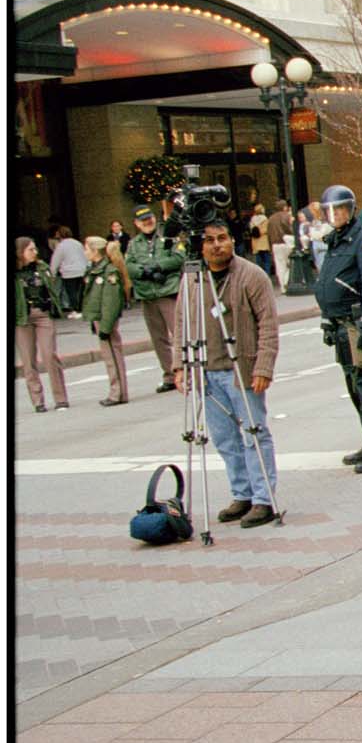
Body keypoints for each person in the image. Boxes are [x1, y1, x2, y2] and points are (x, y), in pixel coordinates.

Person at [178, 218, 283, 528]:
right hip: (208, 372)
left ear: (232, 241)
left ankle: (264, 499)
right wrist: (179, 367)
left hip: (243, 370)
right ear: (201, 246)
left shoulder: (252, 275)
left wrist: (264, 366)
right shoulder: (192, 280)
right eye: (209, 240)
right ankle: (243, 494)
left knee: (254, 435)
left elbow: (268, 325)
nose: (217, 244)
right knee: (225, 440)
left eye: (222, 238)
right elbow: (181, 325)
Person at [313, 184, 362, 473]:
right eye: (330, 211)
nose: (334, 215)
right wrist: (326, 318)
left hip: (357, 325)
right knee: (354, 387)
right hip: (340, 325)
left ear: (350, 209)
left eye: (339, 209)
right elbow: (327, 281)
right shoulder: (336, 241)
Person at [125, 205, 185, 393]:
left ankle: (186, 371)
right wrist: (146, 272)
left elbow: (179, 257)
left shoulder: (167, 236)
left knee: (179, 334)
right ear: (136, 223)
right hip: (147, 294)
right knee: (158, 338)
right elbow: (129, 266)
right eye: (143, 221)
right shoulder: (134, 244)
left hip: (167, 291)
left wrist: (159, 267)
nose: (147, 223)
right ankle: (169, 375)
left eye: (149, 219)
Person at [14, 237, 69, 411]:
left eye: (35, 248)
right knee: (28, 360)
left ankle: (60, 398)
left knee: (49, 355)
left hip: (43, 315)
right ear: (20, 252)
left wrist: (52, 304)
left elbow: (53, 289)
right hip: (22, 317)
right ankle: (37, 400)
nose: (35, 252)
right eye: (31, 249)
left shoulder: (41, 268)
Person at [80, 236, 132, 406]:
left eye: (86, 249)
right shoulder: (95, 270)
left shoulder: (108, 271)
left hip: (105, 321)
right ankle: (117, 392)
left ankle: (118, 393)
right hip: (99, 319)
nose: (84, 252)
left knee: (113, 357)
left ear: (95, 251)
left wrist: (106, 327)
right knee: (109, 357)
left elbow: (111, 302)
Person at [48, 224, 86, 315]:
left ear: (60, 234)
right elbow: (84, 255)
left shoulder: (61, 246)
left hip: (68, 272)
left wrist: (52, 273)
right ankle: (80, 308)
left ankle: (75, 310)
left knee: (71, 292)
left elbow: (55, 260)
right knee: (79, 291)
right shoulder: (78, 243)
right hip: (81, 270)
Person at [248, 205, 274, 279]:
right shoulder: (265, 219)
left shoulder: (252, 220)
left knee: (258, 262)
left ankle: (260, 277)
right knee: (267, 261)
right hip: (264, 242)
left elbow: (251, 231)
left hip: (255, 243)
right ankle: (267, 276)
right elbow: (266, 230)